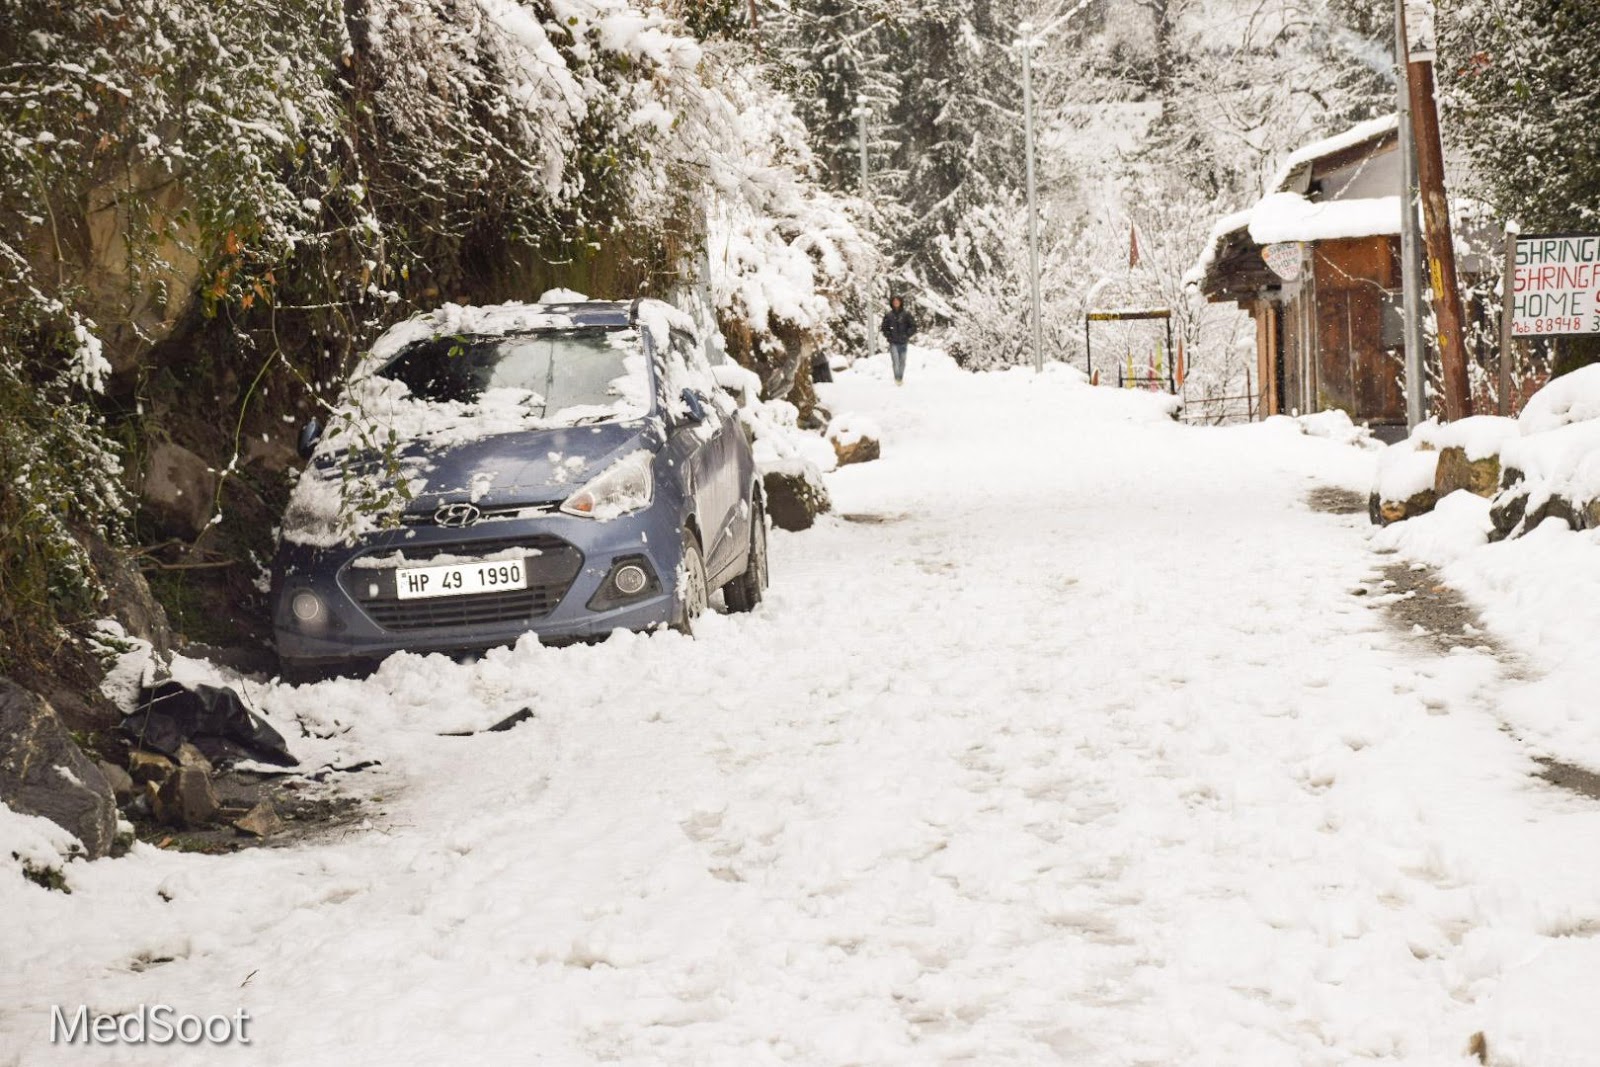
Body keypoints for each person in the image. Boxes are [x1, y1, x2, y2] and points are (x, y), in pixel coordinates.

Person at [879, 295, 916, 385]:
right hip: (893, 342)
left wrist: (907, 334)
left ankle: (901, 377)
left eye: (897, 301)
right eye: (894, 301)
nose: (896, 302)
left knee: (902, 361)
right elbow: (884, 328)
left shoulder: (906, 314)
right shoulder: (888, 315)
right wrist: (889, 336)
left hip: (903, 342)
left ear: (900, 302)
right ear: (892, 303)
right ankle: (897, 378)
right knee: (895, 361)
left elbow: (913, 326)